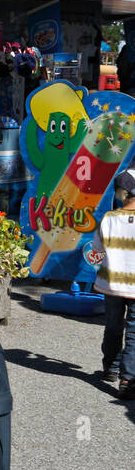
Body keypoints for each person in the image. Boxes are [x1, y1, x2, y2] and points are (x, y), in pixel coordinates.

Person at [92, 170, 135, 398]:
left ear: (120, 194)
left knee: (113, 326)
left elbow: (97, 249)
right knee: (134, 332)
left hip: (111, 284)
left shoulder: (108, 218)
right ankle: (128, 379)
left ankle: (110, 368)